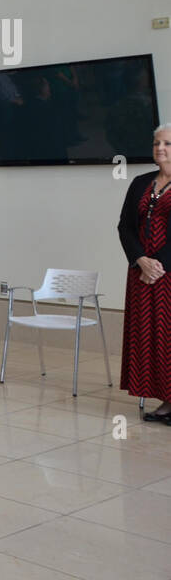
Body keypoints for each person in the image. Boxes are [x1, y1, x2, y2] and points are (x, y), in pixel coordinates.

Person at [119, 124, 171, 422]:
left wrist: (157, 265)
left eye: (166, 143)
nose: (160, 148)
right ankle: (164, 398)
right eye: (156, 143)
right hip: (141, 275)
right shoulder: (140, 182)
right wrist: (141, 259)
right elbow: (125, 226)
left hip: (167, 275)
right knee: (150, 336)